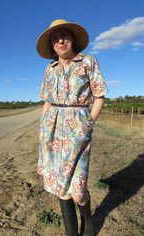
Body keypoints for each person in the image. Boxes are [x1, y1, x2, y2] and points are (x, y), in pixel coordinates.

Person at [36, 19, 108, 236]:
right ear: (52, 45)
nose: (60, 40)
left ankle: (87, 215)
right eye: (55, 38)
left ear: (72, 39)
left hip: (79, 127)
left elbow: (99, 96)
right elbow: (47, 101)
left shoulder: (88, 62)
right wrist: (42, 129)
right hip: (52, 129)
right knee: (61, 188)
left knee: (77, 192)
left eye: (64, 36)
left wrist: (88, 124)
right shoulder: (50, 69)